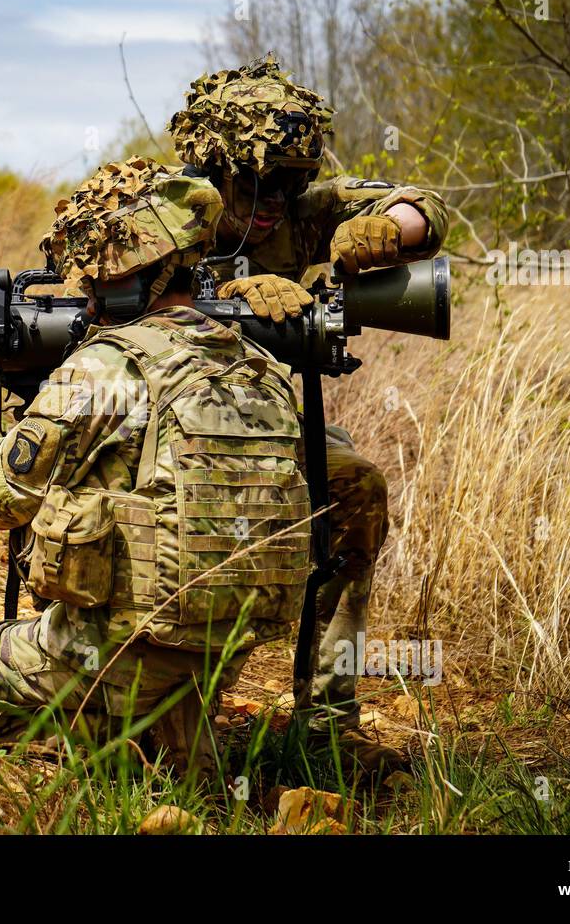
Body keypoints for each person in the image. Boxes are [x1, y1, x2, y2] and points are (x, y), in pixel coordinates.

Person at [0, 157, 312, 774]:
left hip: (120, 655)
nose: (86, 296)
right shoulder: (256, 365)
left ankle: (93, 748)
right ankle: (168, 733)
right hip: (217, 654)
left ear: (135, 275)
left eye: (97, 281)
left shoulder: (108, 368)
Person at [169, 55, 450, 775]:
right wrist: (227, 300)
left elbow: (426, 204)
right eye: (258, 180)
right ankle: (159, 711)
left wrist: (390, 228)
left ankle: (326, 724)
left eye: (292, 180)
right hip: (159, 432)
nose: (275, 198)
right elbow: (95, 291)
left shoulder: (303, 209)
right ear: (214, 167)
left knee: (354, 484)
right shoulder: (163, 210)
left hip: (259, 423)